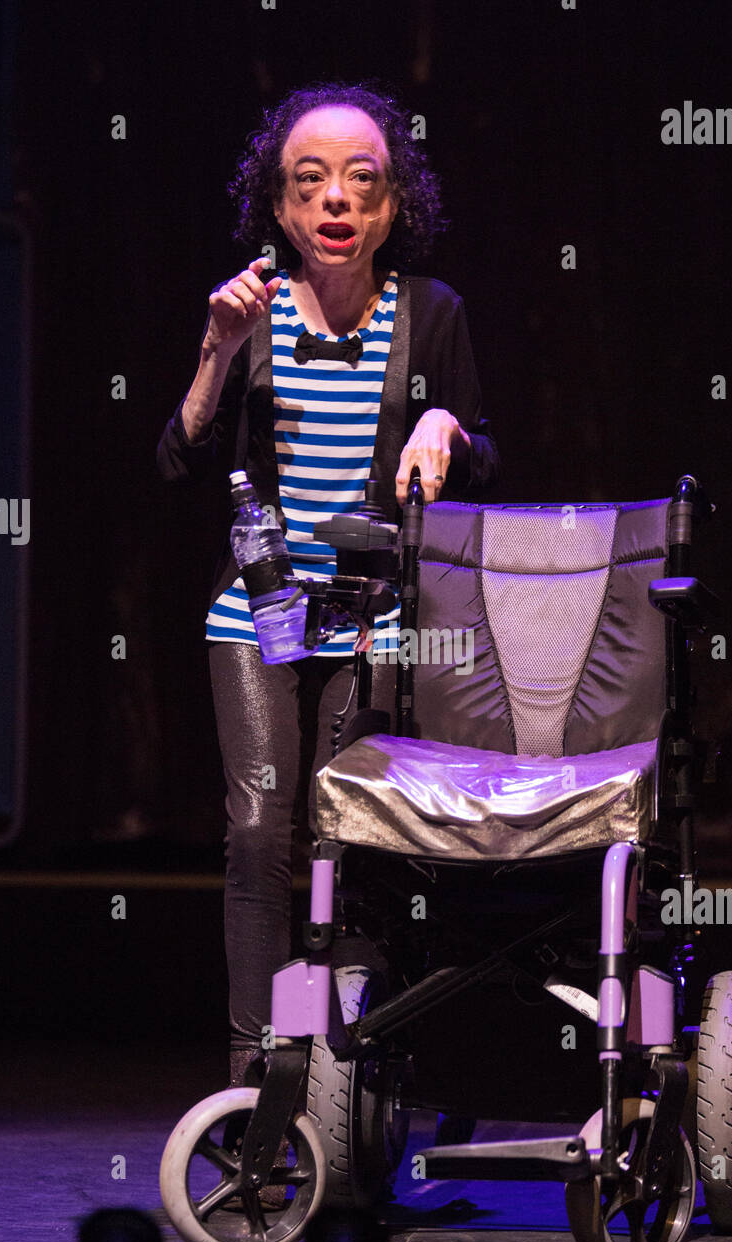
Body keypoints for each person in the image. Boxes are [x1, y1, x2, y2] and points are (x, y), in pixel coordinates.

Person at [156, 82, 501, 1090]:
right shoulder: (250, 310)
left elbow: (483, 457)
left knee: (340, 826)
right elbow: (177, 457)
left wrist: (446, 428)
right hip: (255, 612)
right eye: (309, 183)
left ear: (394, 206)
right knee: (263, 824)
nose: (335, 202)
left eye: (361, 181)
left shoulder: (429, 314)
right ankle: (257, 1074)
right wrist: (217, 347)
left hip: (373, 617)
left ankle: (343, 1072)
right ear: (277, 203)